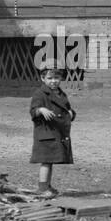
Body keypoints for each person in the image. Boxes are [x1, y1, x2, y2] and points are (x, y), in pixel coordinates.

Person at [29, 60, 76, 196]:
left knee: (51, 161)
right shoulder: (40, 94)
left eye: (56, 78)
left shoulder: (61, 94)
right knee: (46, 161)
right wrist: (41, 110)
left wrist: (71, 113)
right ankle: (42, 188)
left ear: (61, 78)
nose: (53, 81)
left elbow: (66, 108)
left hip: (57, 133)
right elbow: (33, 110)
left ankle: (47, 186)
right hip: (46, 133)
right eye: (50, 78)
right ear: (42, 78)